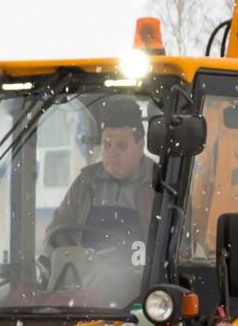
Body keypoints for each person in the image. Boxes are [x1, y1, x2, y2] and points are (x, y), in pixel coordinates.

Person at [43, 96, 156, 258]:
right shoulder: (85, 183)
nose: (112, 153)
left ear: (140, 146)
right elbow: (55, 234)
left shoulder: (159, 185)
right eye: (107, 144)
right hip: (87, 279)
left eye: (121, 146)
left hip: (142, 281)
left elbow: (176, 247)